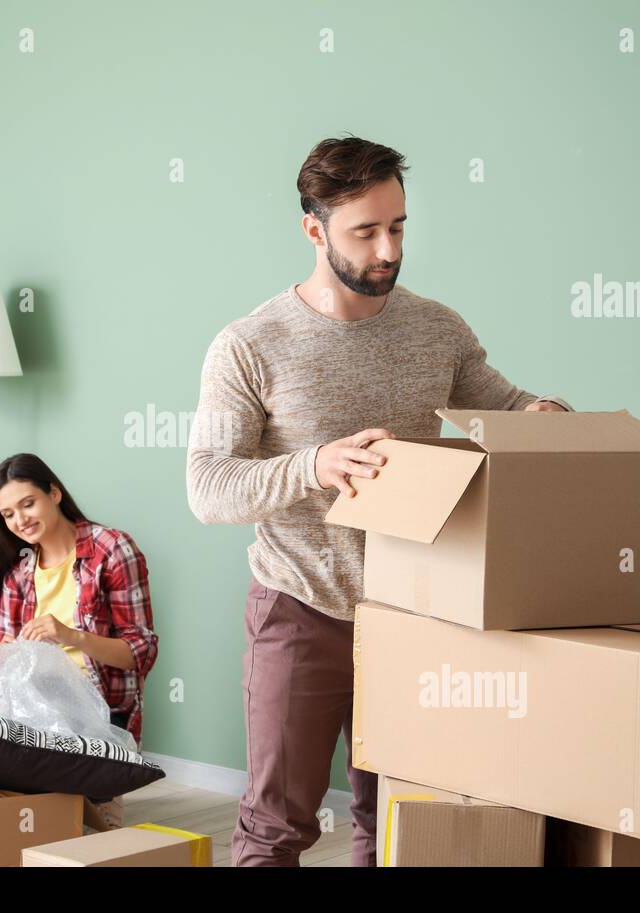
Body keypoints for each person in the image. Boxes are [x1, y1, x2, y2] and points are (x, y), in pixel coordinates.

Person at [185, 135, 573, 867]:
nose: (388, 249)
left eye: (398, 226)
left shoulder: (436, 328)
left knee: (392, 819)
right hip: (300, 607)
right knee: (276, 829)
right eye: (366, 231)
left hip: (413, 614)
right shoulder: (250, 344)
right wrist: (316, 465)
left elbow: (506, 405)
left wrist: (542, 414)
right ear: (314, 228)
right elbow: (209, 487)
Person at [0, 453, 159, 827]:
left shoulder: (111, 549)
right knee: (29, 822)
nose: (20, 520)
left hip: (102, 716)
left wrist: (69, 636)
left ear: (55, 493)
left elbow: (140, 653)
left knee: (93, 829)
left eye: (28, 504)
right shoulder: (17, 576)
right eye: (9, 514)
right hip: (37, 713)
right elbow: (3, 660)